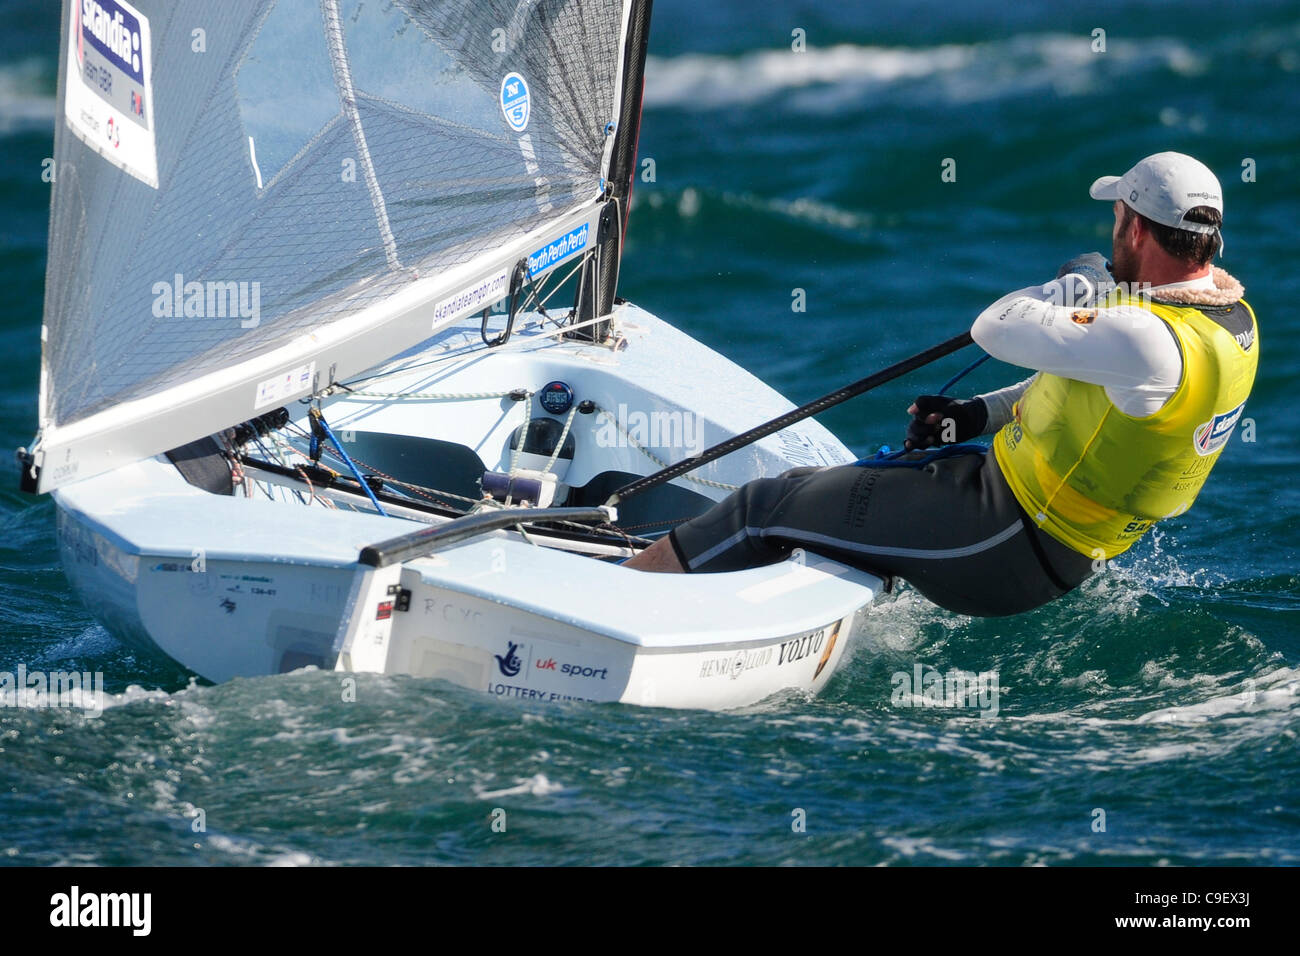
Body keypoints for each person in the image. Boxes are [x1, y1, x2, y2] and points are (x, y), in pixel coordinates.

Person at [625, 152, 1259, 617]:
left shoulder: (1144, 335)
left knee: (760, 507)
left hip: (1003, 536)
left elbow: (994, 327)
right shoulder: (1231, 324)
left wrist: (1067, 291)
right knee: (804, 493)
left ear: (1139, 231)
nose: (1110, 232)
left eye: (1117, 218)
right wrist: (975, 417)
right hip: (1042, 540)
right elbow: (1086, 402)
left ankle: (619, 603)